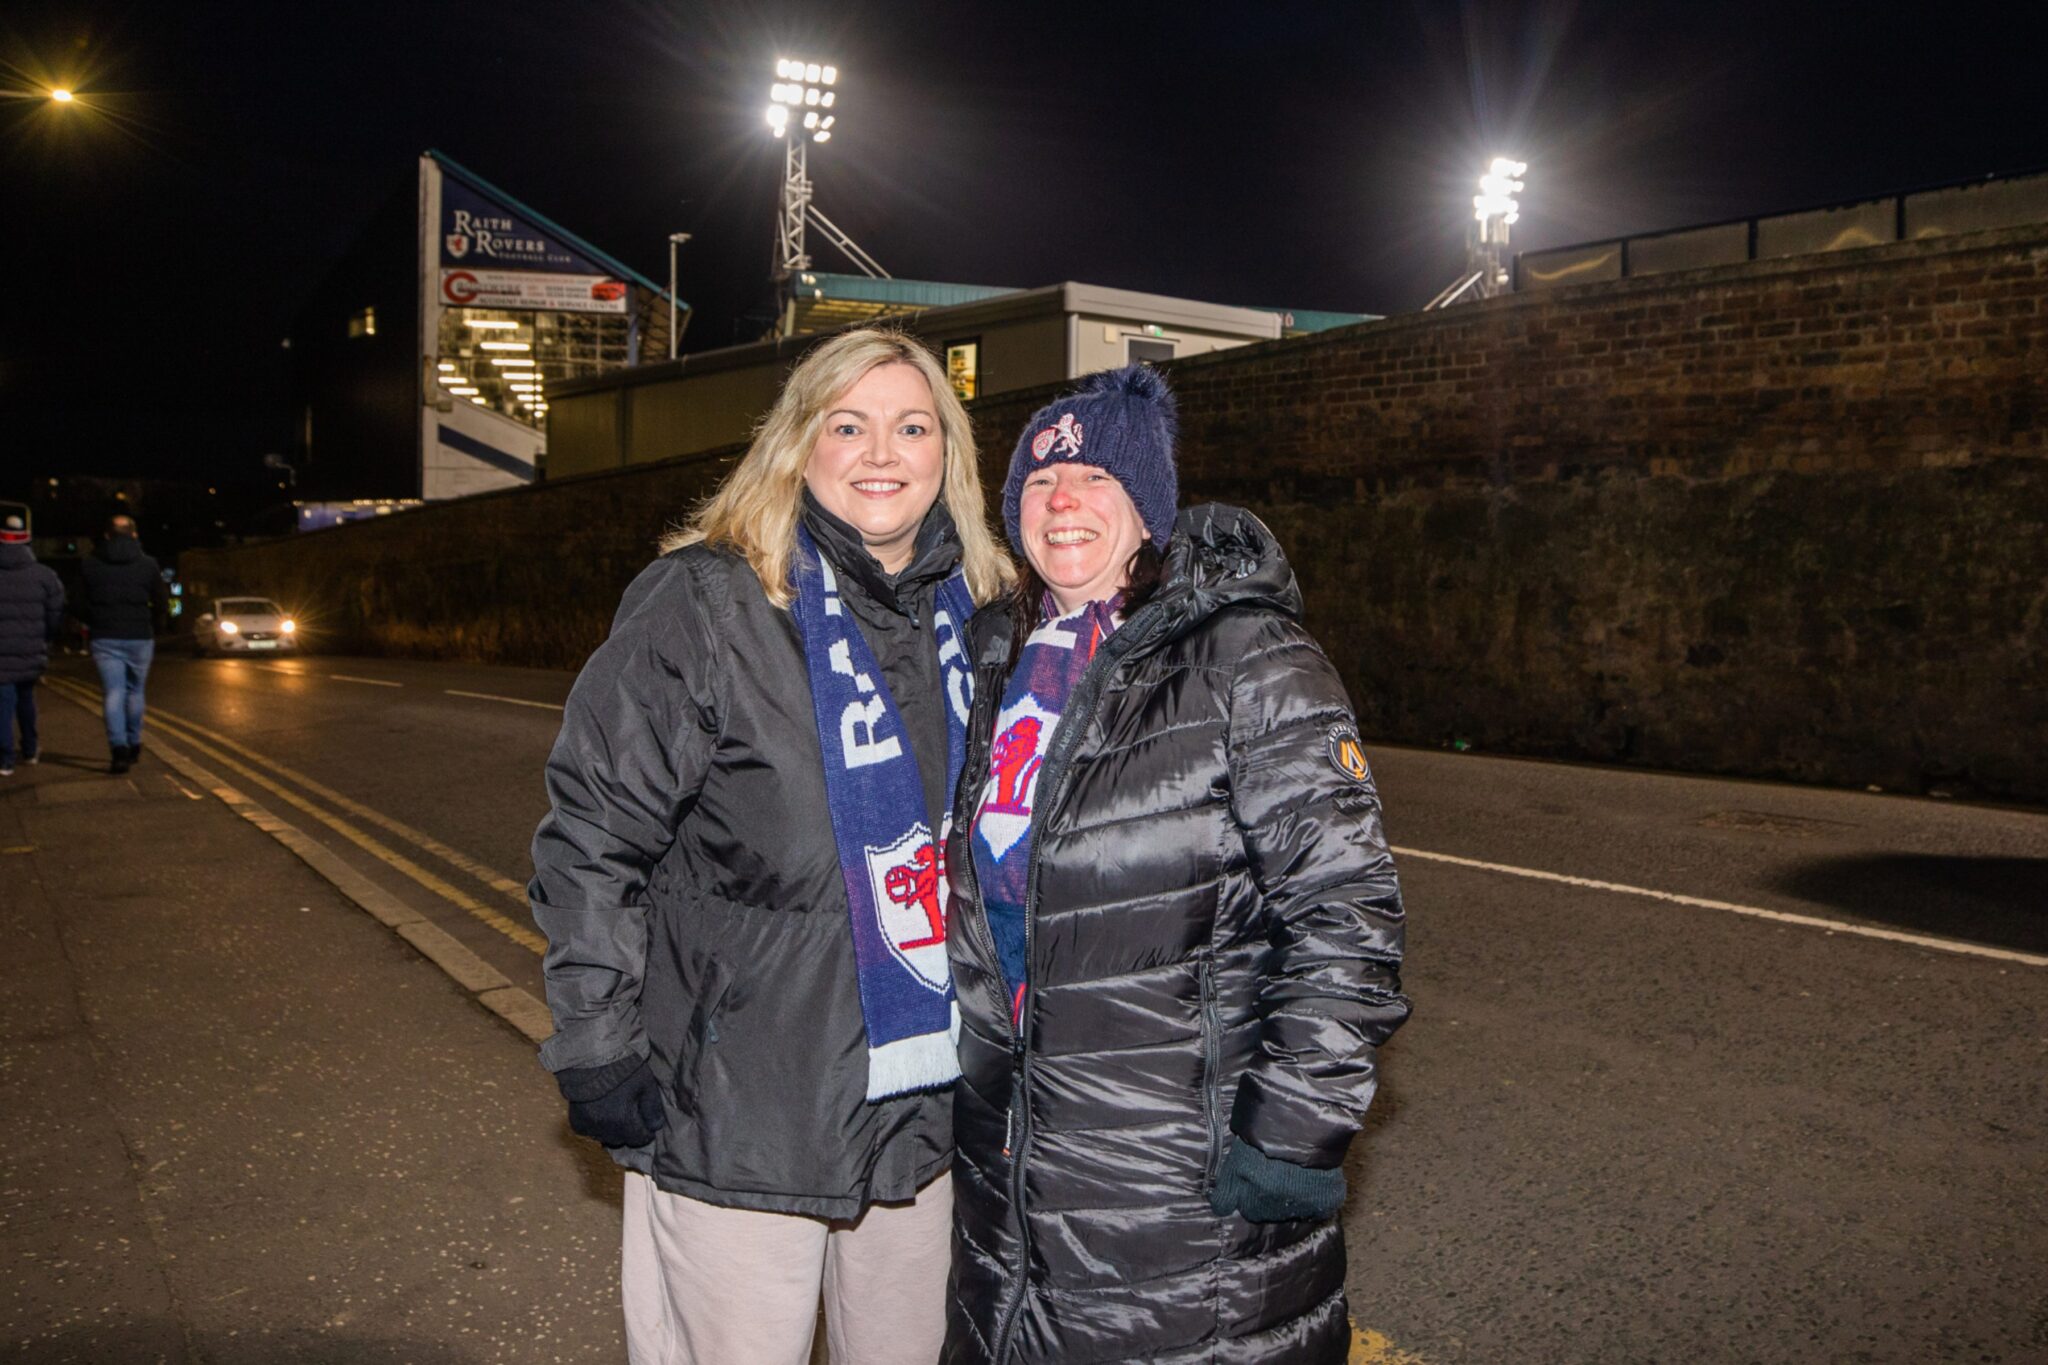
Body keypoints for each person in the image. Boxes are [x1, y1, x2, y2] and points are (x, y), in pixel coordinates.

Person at [529, 328, 1013, 1365]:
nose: (880, 451)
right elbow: (590, 836)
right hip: (739, 1111)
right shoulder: (706, 603)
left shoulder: (979, 621)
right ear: (797, 443)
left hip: (920, 1113)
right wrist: (594, 1037)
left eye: (911, 426)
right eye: (848, 424)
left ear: (946, 457)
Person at [943, 365, 1411, 1364]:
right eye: (1037, 481)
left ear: (1150, 507)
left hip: (1181, 1200)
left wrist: (1287, 1137)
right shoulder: (995, 663)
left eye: (1097, 478)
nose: (1062, 500)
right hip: (1014, 1185)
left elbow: (1346, 917)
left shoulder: (1248, 661)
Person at [77, 514, 169, 775]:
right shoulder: (148, 564)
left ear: (107, 535)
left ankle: (118, 750)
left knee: (113, 692)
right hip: (139, 634)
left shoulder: (90, 564)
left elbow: (75, 603)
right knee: (135, 690)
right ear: (134, 534)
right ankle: (134, 742)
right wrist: (152, 624)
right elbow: (162, 603)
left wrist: (94, 618)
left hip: (105, 635)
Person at [0, 515, 65, 777]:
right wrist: (46, 638)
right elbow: (55, 613)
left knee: (2, 704)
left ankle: (5, 760)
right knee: (26, 699)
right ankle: (29, 749)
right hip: (30, 649)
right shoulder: (45, 576)